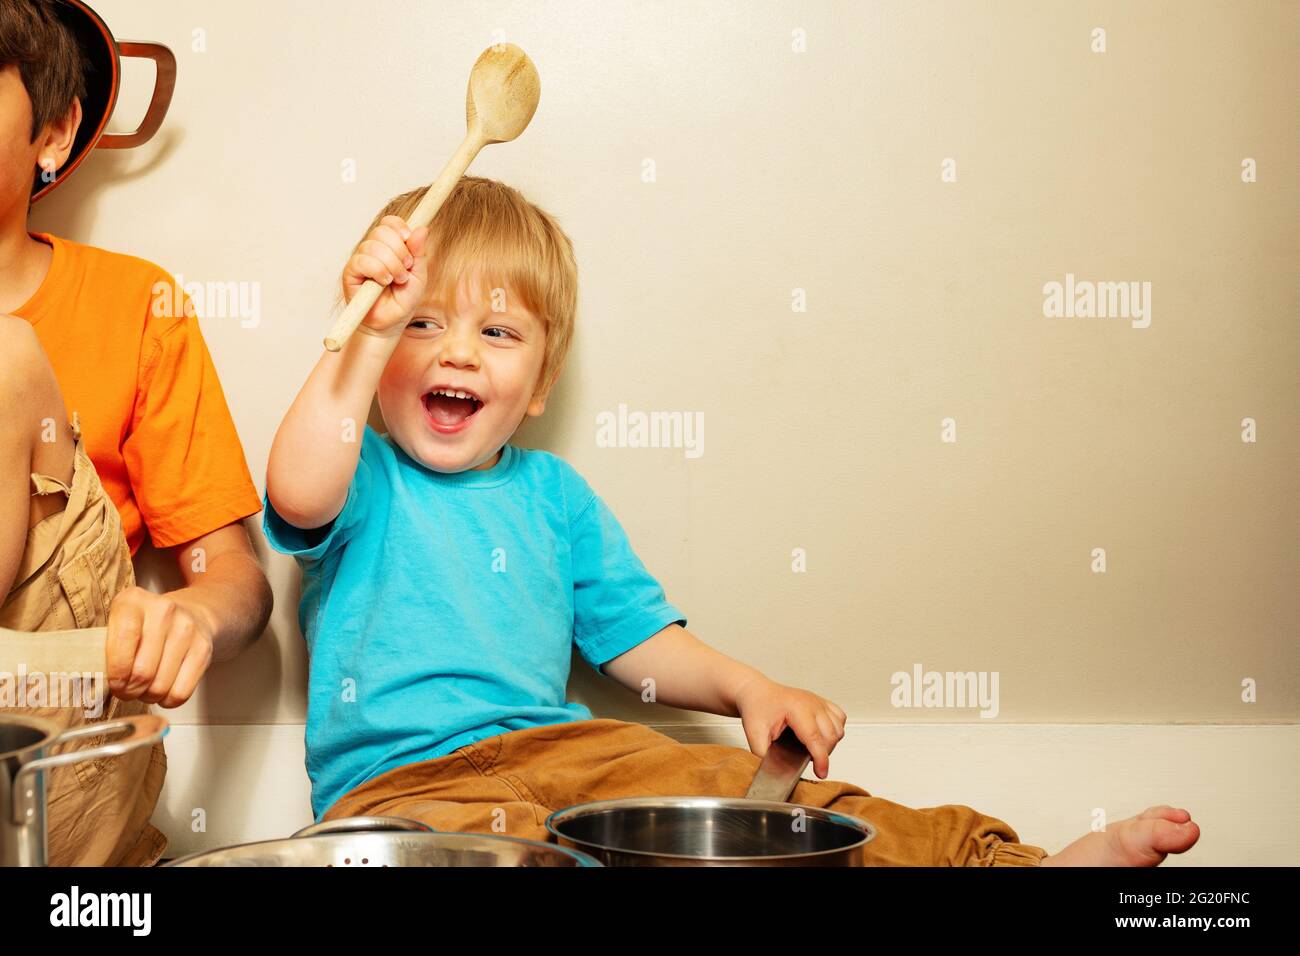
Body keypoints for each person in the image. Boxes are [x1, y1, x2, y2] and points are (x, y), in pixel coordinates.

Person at [263, 175, 1200, 866]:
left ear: (541, 382)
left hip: (583, 758)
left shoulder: (554, 498)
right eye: (420, 325)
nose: (455, 352)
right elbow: (300, 491)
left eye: (497, 332)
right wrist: (366, 333)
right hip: (409, 796)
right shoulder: (361, 469)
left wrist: (750, 689)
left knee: (802, 817)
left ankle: (1001, 870)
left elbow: (640, 646)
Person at [0, 0, 272, 864]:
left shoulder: (133, 303)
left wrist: (188, 615)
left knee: (6, 356)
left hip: (52, 754)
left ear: (54, 130)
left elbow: (233, 575)